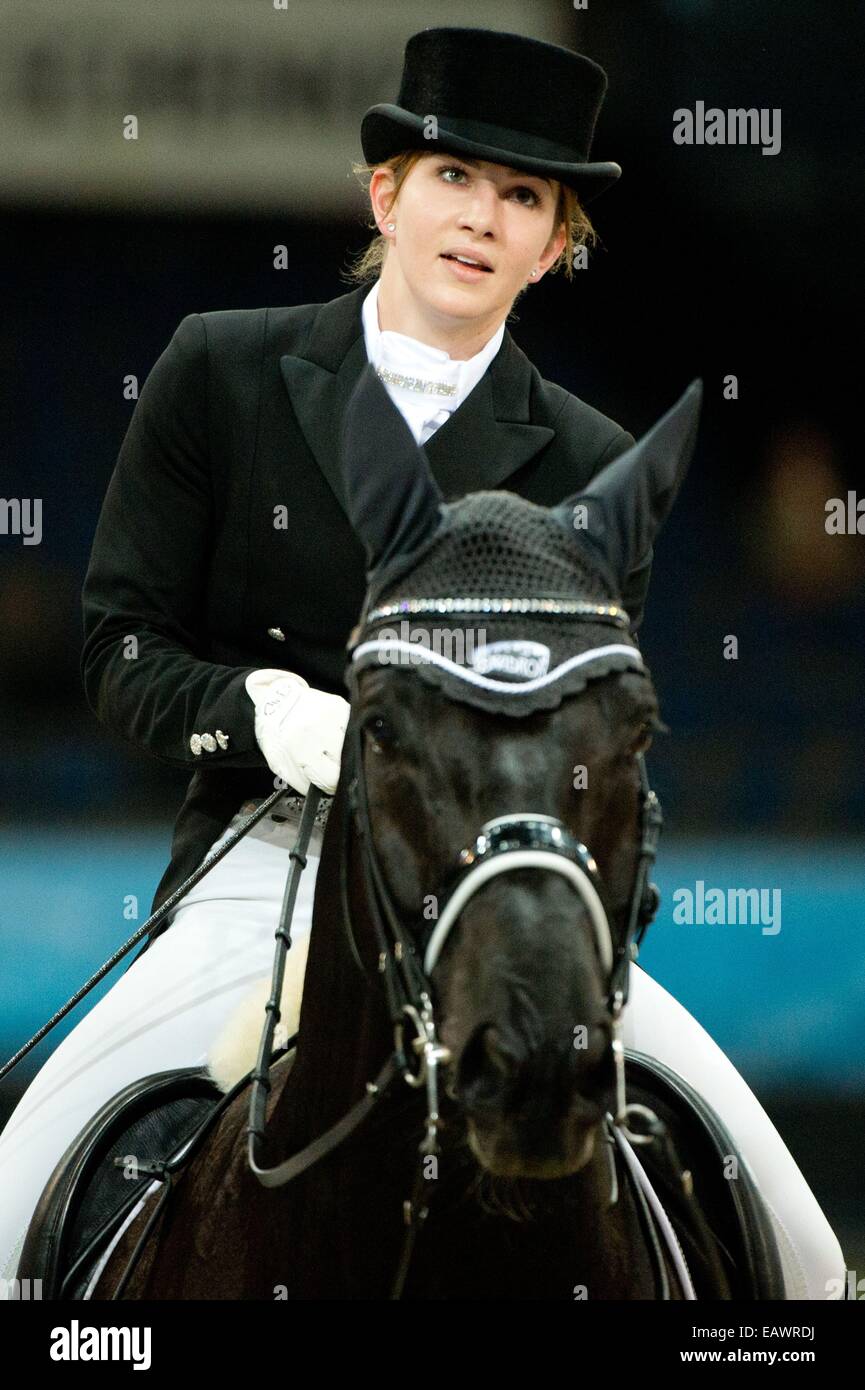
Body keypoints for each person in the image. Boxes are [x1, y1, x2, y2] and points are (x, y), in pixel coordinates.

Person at [0, 27, 844, 1300]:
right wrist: (260, 713)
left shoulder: (589, 459)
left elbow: (591, 736)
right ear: (385, 193)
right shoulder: (218, 371)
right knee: (19, 1180)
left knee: (799, 1238)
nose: (481, 218)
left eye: (522, 197)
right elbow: (122, 649)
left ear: (556, 245)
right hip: (263, 870)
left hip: (504, 892)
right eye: (454, 178)